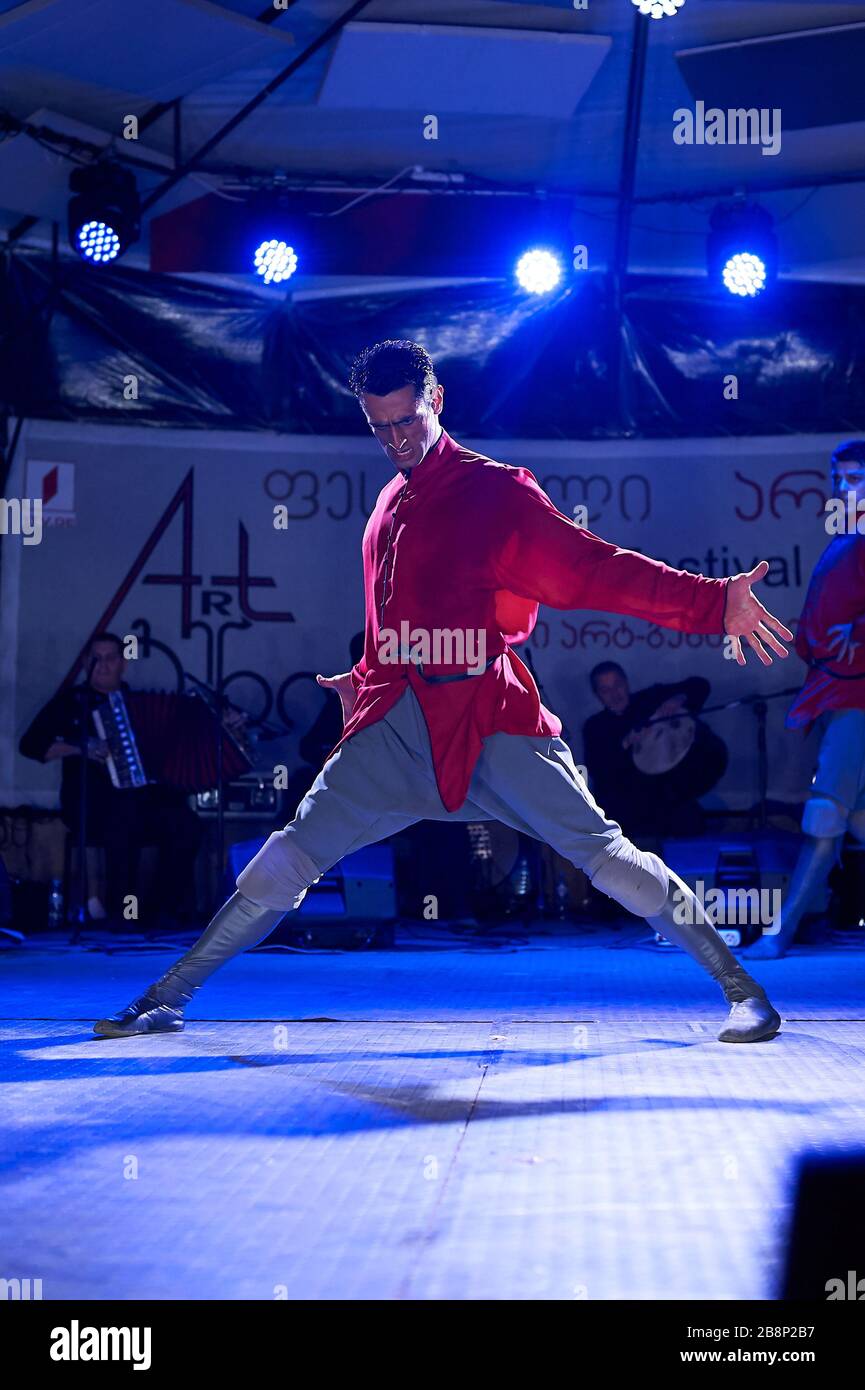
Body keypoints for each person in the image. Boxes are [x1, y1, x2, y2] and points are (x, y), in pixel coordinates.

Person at [95, 340, 791, 1042]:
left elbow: (593, 569)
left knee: (608, 861)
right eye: (380, 427)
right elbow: (386, 619)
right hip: (392, 726)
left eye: (408, 421)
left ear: (438, 401)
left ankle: (743, 992)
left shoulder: (496, 492)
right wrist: (364, 679)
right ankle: (168, 996)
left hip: (490, 718)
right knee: (286, 857)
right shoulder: (388, 503)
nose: (397, 439)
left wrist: (711, 602)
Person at [745, 439, 865, 959]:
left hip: (856, 696)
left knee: (824, 817)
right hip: (838, 691)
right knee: (857, 820)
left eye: (856, 477)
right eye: (840, 477)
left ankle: (780, 933)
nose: (844, 487)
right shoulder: (844, 539)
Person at [20, 633, 205, 924]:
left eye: (111, 659)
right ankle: (124, 915)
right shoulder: (70, 702)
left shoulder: (137, 702)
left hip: (141, 802)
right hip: (90, 802)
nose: (103, 666)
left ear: (123, 664)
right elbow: (31, 745)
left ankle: (160, 908)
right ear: (85, 664)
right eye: (96, 659)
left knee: (187, 825)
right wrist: (82, 747)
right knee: (123, 817)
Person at [582, 663, 728, 838]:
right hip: (628, 806)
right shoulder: (595, 727)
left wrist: (678, 699)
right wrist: (626, 743)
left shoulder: (649, 700)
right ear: (597, 695)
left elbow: (699, 685)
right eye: (605, 690)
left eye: (618, 685)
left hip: (670, 796)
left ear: (626, 683)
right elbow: (598, 769)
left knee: (689, 823)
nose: (614, 694)